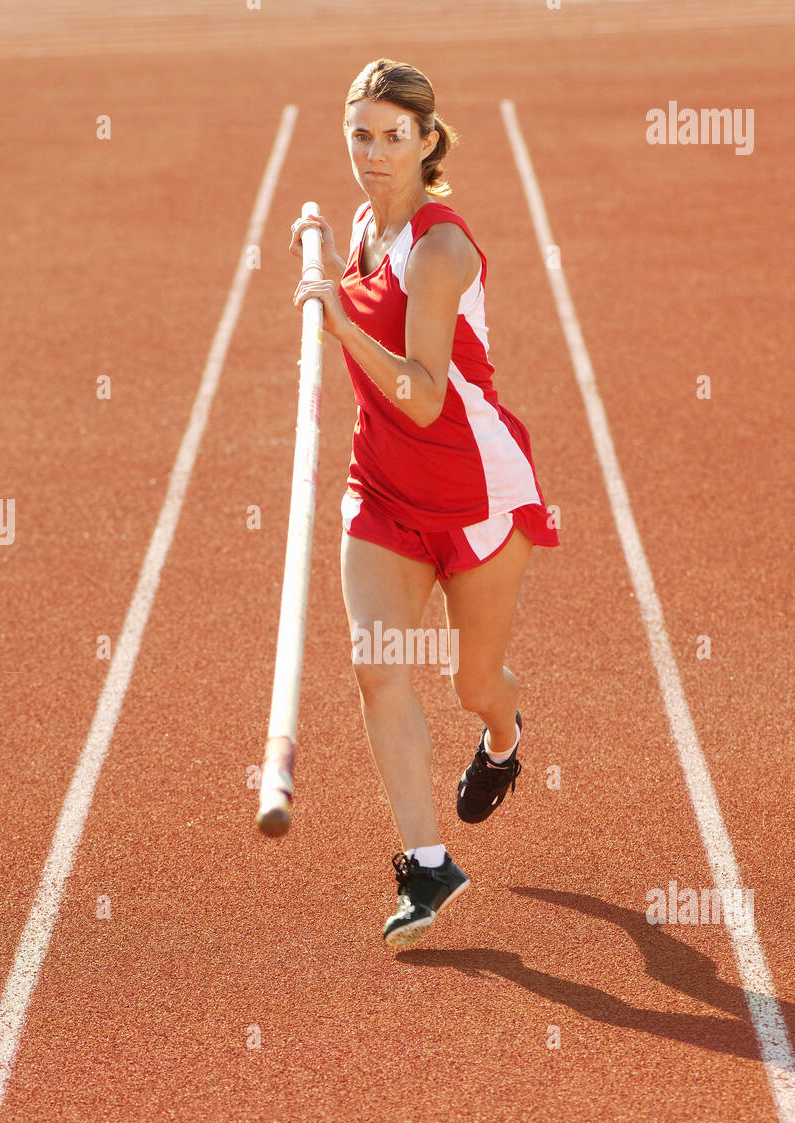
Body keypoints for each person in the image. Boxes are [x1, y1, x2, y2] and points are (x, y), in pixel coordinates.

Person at [288, 57, 558, 950]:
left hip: (474, 490)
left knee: (473, 682)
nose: (371, 152)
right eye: (358, 134)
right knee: (376, 664)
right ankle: (428, 862)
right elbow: (360, 298)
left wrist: (337, 322)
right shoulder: (365, 223)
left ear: (427, 141)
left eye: (391, 136)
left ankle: (504, 738)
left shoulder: (441, 247)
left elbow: (424, 393)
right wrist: (325, 258)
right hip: (384, 490)